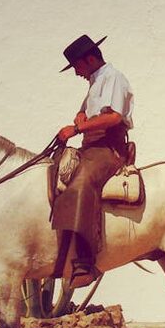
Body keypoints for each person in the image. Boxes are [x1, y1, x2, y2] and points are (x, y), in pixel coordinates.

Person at [52, 34, 134, 289]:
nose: (76, 72)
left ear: (89, 59)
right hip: (91, 145)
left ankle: (85, 263)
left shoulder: (113, 78)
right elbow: (85, 111)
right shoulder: (96, 81)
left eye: (77, 66)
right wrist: (79, 117)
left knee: (81, 184)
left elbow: (113, 118)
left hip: (108, 148)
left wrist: (77, 130)